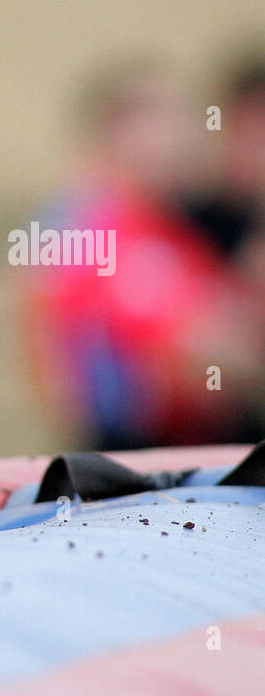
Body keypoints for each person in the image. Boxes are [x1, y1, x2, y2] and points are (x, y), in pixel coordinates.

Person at [23, 58, 265, 451]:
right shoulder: (98, 226)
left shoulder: (161, 223)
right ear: (122, 129)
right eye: (171, 116)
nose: (192, 135)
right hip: (141, 462)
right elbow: (202, 365)